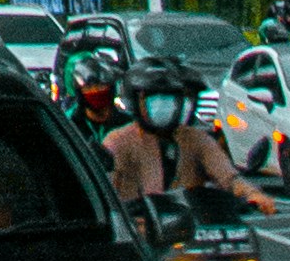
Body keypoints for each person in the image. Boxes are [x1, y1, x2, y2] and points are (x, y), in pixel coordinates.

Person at [104, 67, 271, 225]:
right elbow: (105, 186)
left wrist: (252, 194)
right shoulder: (118, 141)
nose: (162, 105)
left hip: (193, 229)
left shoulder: (196, 138)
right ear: (137, 102)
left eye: (170, 97)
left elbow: (227, 176)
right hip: (141, 232)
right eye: (153, 97)